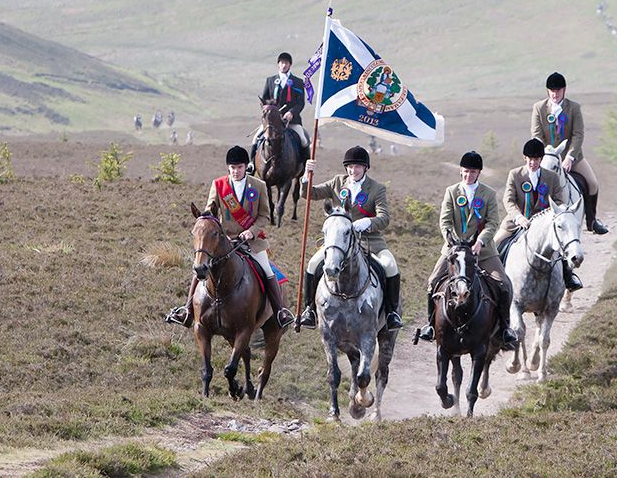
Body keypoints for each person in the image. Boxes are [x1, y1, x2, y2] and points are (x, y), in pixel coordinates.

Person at [166, 145, 295, 329]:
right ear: (229, 168)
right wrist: (206, 219)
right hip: (223, 242)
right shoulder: (218, 185)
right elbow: (210, 210)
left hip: (251, 242)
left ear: (246, 167)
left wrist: (252, 230)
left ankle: (280, 312)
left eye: (240, 167)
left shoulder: (259, 186)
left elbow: (265, 215)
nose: (236, 171)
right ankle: (187, 310)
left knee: (267, 270)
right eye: (233, 168)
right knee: (199, 268)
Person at [418, 151, 519, 350]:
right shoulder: (451, 192)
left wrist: (481, 241)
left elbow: (492, 222)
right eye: (465, 172)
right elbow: (445, 221)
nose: (468, 175)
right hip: (454, 251)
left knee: (504, 283)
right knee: (432, 282)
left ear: (478, 173)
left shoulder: (488, 193)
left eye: (472, 172)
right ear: (460, 172)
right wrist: (451, 241)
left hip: (483, 251)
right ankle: (430, 326)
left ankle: (505, 329)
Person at [297, 146, 403, 331]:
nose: (353, 171)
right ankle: (309, 310)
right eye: (350, 167)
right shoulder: (338, 182)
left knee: (390, 266)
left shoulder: (377, 189)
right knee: (313, 264)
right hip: (339, 242)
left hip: (369, 240)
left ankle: (392, 313)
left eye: (358, 167)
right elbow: (309, 194)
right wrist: (307, 175)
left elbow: (384, 218)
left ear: (365, 168)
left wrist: (367, 223)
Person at [493, 138, 582, 291]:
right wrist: (518, 216)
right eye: (530, 159)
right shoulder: (515, 175)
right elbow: (508, 200)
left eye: (536, 159)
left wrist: (552, 214)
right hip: (516, 223)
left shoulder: (551, 177)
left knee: (562, 246)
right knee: (494, 245)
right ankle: (495, 280)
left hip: (545, 225)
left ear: (541, 159)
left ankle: (568, 277)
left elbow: (559, 200)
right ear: (524, 158)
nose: (533, 163)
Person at [531, 72, 608, 235]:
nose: (555, 94)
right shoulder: (538, 108)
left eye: (558, 90)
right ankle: (530, 219)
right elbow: (536, 135)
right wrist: (546, 155)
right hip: (547, 158)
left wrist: (569, 157)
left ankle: (592, 221)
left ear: (564, 90)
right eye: (552, 90)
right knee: (530, 182)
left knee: (593, 183)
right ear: (547, 91)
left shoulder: (574, 108)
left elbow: (578, 134)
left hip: (571, 157)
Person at [249, 52, 309, 173]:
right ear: (278, 64)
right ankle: (251, 165)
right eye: (282, 62)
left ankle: (305, 169)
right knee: (256, 138)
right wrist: (268, 112)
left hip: (291, 121)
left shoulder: (297, 82)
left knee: (303, 140)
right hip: (272, 121)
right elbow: (264, 100)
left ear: (290, 65)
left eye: (286, 63)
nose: (284, 65)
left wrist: (291, 113)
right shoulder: (270, 81)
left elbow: (300, 103)